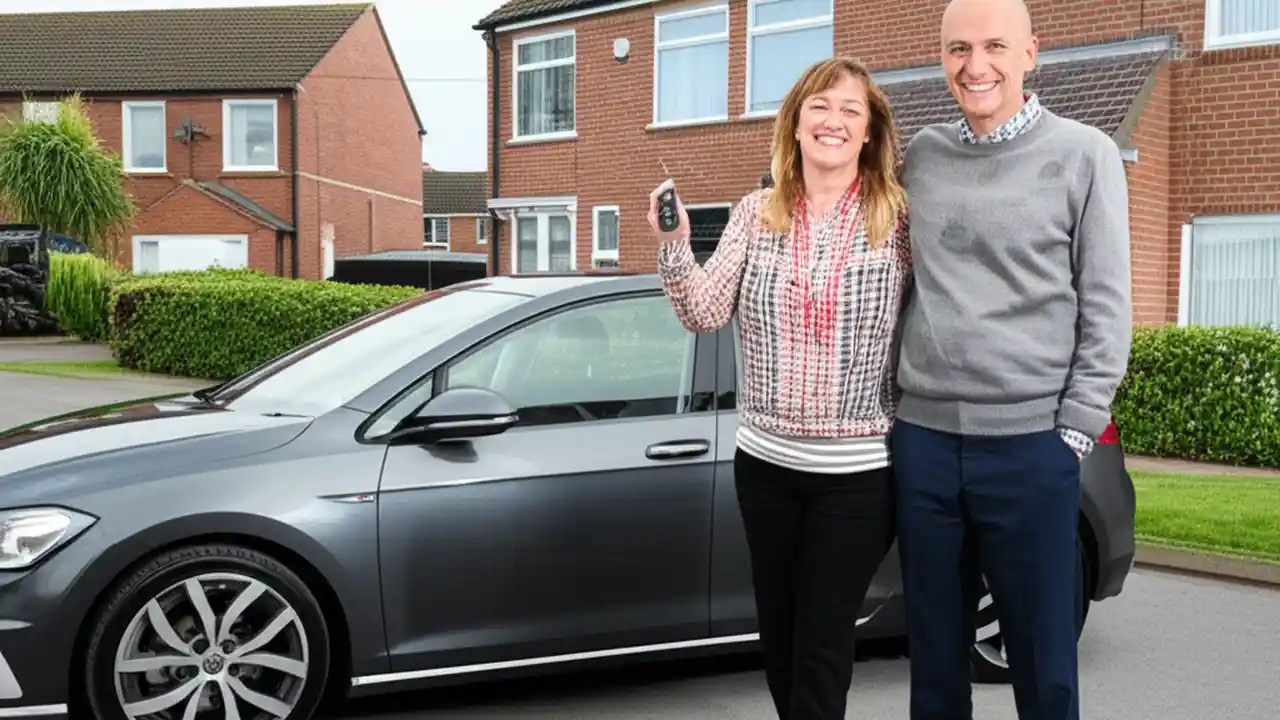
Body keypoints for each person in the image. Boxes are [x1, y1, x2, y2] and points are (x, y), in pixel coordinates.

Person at [648, 57, 911, 720]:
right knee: (781, 643)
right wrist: (675, 246)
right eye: (819, 107)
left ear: (870, 133)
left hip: (857, 477)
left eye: (851, 110)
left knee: (821, 648)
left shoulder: (897, 218)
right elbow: (704, 312)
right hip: (765, 468)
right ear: (794, 124)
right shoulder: (754, 213)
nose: (834, 121)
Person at [891, 0, 1133, 718]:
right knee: (934, 660)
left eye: (995, 46)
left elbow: (1107, 306)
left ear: (1032, 52)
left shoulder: (1085, 154)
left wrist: (1073, 433)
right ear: (942, 57)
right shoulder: (923, 157)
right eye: (958, 48)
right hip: (926, 445)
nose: (976, 65)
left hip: (1032, 449)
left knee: (1043, 662)